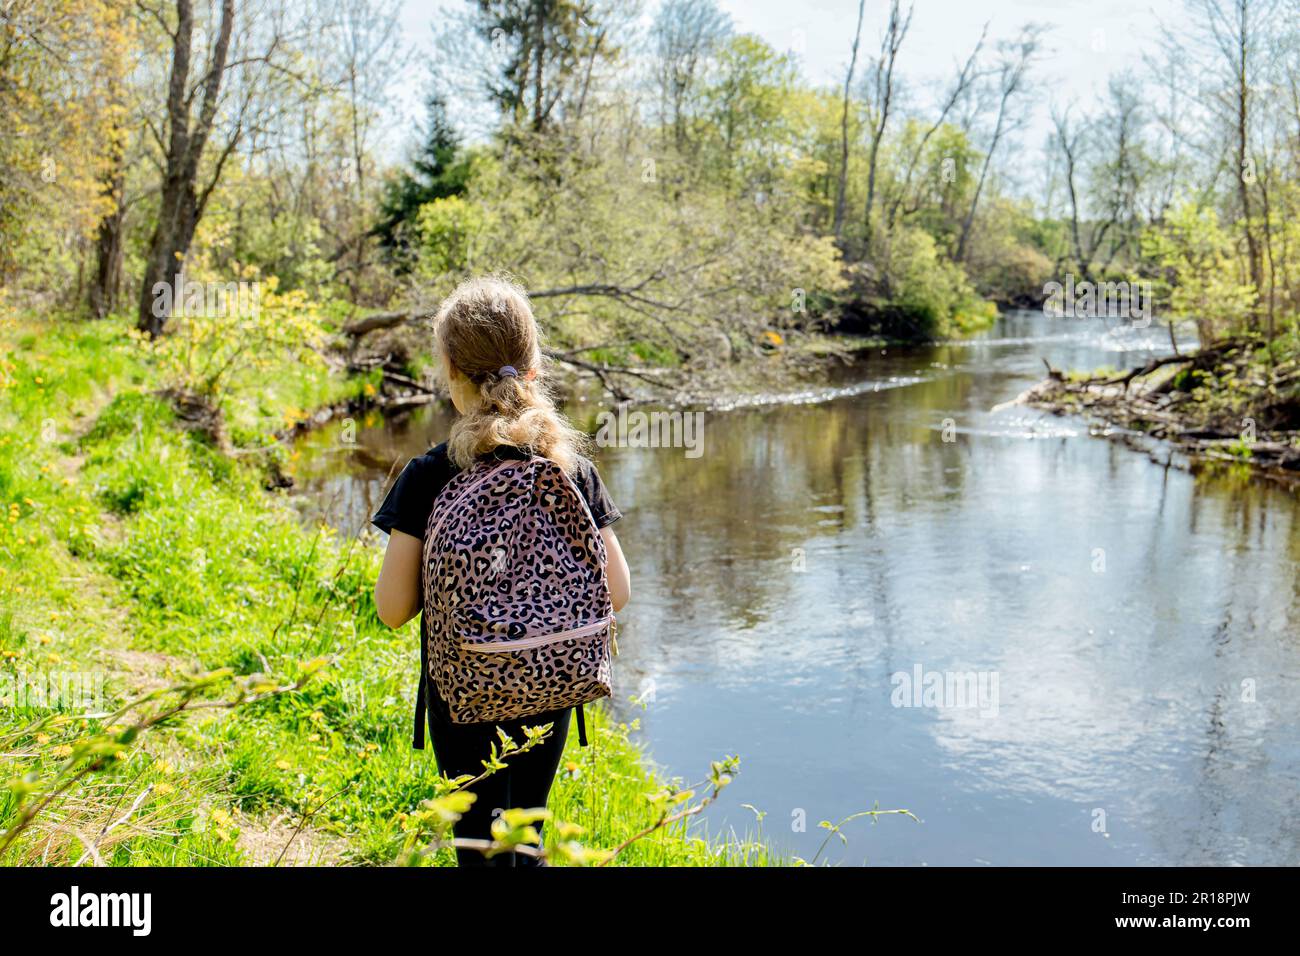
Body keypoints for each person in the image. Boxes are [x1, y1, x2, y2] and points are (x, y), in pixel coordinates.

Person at [371, 275, 631, 867]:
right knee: (527, 834)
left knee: (479, 845)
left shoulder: (428, 476)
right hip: (551, 680)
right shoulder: (569, 469)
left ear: (451, 375)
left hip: (464, 693)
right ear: (534, 366)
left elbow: (392, 610)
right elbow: (616, 591)